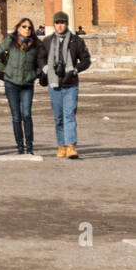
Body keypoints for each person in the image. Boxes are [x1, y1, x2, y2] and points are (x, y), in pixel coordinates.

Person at [42, 11, 90, 159]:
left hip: (71, 84)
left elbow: (86, 60)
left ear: (67, 24)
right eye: (57, 22)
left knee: (69, 115)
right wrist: (45, 69)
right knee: (58, 117)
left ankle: (71, 146)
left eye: (62, 22)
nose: (60, 25)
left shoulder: (76, 41)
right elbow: (40, 58)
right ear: (54, 24)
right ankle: (61, 145)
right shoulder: (47, 41)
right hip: (54, 84)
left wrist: (75, 70)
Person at [0, 17, 41, 155]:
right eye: (24, 27)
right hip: (11, 83)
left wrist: (35, 73)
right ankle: (20, 145)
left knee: (26, 114)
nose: (27, 29)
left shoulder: (36, 44)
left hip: (27, 84)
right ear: (18, 28)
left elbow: (42, 62)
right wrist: (3, 69)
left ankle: (29, 146)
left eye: (29, 27)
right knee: (16, 116)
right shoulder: (11, 41)